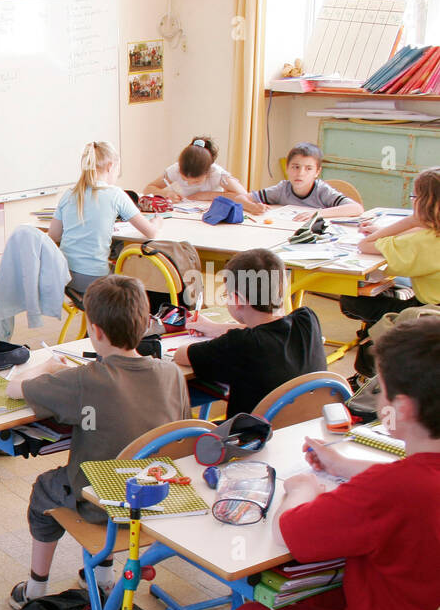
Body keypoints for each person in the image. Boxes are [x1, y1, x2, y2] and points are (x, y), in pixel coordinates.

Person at [227, 316, 440, 610]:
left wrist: (302, 487)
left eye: (381, 392)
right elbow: (417, 482)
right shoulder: (401, 481)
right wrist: (349, 467)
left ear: (400, 408)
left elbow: (297, 534)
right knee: (315, 597)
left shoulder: (392, 489)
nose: (377, 401)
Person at [5, 275, 190, 608]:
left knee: (45, 489)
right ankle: (103, 578)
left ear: (96, 331)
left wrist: (47, 365)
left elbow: (14, 388)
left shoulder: (85, 380)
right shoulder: (172, 374)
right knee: (119, 463)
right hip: (155, 499)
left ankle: (35, 587)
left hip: (101, 504)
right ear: (146, 323)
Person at [173, 248, 326, 418]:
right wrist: (214, 327)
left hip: (248, 440)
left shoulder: (239, 344)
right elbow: (268, 330)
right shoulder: (307, 319)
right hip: (303, 431)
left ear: (238, 300)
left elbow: (181, 355)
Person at [48, 141, 162, 297]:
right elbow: (151, 233)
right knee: (139, 274)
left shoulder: (69, 193)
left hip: (65, 277)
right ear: (110, 166)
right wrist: (156, 221)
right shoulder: (115, 194)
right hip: (96, 280)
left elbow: (54, 235)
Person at [339, 167, 440, 336]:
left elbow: (365, 244)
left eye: (414, 196)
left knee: (351, 301)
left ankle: (378, 340)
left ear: (424, 202)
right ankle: (375, 338)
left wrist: (411, 221)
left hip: (428, 313)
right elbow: (420, 234)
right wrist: (382, 230)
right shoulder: (427, 236)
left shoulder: (422, 242)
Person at [245, 143, 364, 220]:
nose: (300, 173)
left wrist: (317, 213)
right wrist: (252, 207)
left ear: (317, 172)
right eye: (295, 167)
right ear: (287, 168)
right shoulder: (282, 189)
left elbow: (356, 208)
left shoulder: (322, 190)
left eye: (308, 168)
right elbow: (244, 198)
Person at [143, 135, 248, 204]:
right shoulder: (175, 169)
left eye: (196, 181)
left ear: (207, 172)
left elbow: (245, 196)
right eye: (184, 179)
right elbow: (148, 189)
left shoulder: (216, 173)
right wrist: (166, 194)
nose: (190, 183)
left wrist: (207, 195)